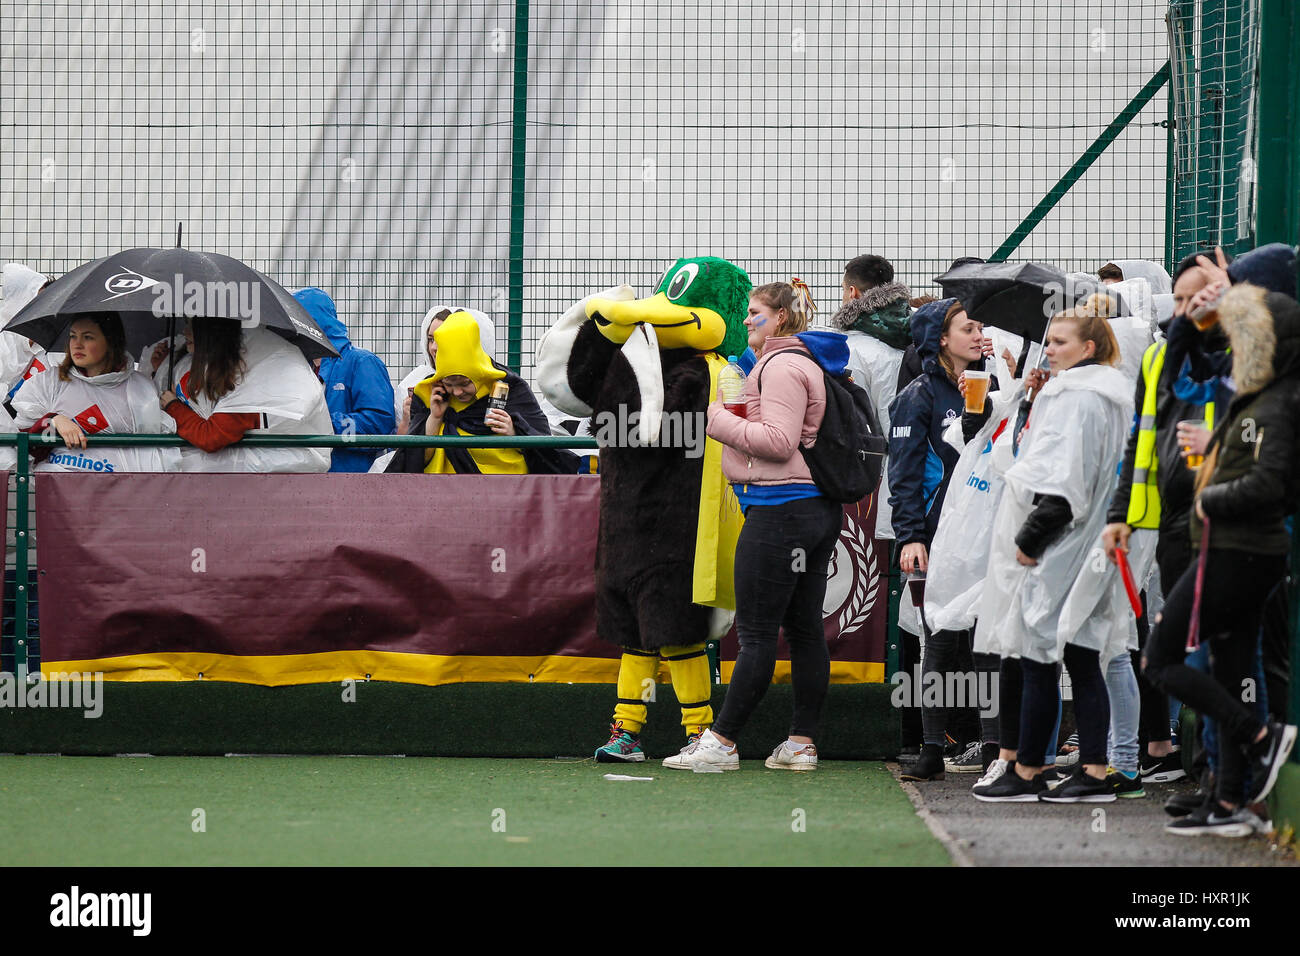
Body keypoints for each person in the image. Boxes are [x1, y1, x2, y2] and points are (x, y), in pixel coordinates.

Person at [1142, 258, 1300, 836]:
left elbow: (1268, 480)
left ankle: (1257, 749)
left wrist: (1213, 492)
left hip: (1240, 548)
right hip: (1225, 544)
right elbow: (1178, 379)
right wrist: (1189, 316)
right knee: (1224, 671)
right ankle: (1229, 797)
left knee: (1170, 660)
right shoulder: (1254, 388)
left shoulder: (1273, 397)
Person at [662, 280, 841, 771]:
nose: (745, 320)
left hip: (781, 510)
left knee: (758, 634)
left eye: (756, 313)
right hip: (809, 510)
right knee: (805, 630)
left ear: (780, 318)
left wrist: (713, 419)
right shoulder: (798, 362)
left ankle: (721, 743)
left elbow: (779, 442)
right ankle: (800, 743)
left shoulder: (782, 366)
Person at [973, 295, 1134, 803]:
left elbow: (1063, 481)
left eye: (1059, 342)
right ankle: (1092, 768)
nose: (1050, 350)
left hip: (1062, 540)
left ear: (1089, 346)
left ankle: (1028, 770)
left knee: (1036, 650)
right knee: (1086, 654)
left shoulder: (1078, 397)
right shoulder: (1106, 392)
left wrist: (1029, 540)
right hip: (1092, 539)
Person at [887, 298, 991, 781]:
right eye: (965, 328)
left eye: (979, 327)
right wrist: (911, 537)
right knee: (940, 643)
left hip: (985, 534)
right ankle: (931, 750)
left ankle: (993, 748)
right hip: (936, 536)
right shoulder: (918, 395)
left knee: (988, 641)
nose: (977, 334)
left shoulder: (992, 387)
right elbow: (904, 474)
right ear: (940, 340)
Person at [384, 311, 577, 475]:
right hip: (441, 498)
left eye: (465, 383)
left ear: (478, 373)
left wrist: (515, 433)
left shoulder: (511, 387)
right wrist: (435, 418)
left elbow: (547, 453)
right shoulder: (428, 393)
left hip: (505, 497)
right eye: (449, 384)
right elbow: (412, 462)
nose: (457, 392)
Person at [11, 315, 178, 473]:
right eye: (73, 336)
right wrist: (52, 421)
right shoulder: (49, 383)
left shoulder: (141, 387)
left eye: (88, 337)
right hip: (62, 494)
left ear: (111, 341)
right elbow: (26, 450)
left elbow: (155, 454)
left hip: (123, 494)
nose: (77, 344)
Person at [162, 321, 333, 473]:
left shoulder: (257, 377)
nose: (185, 331)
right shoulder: (247, 353)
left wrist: (173, 406)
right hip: (275, 465)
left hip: (289, 469)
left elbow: (211, 437)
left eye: (194, 327)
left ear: (213, 331)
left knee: (196, 466)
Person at [829, 253, 910, 540]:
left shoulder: (848, 348)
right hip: (902, 479)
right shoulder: (908, 340)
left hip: (860, 481)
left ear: (851, 293)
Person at [290, 288, 395, 473]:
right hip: (306, 480)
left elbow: (380, 426)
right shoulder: (297, 368)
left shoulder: (362, 362)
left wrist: (324, 423)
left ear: (314, 322)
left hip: (352, 482)